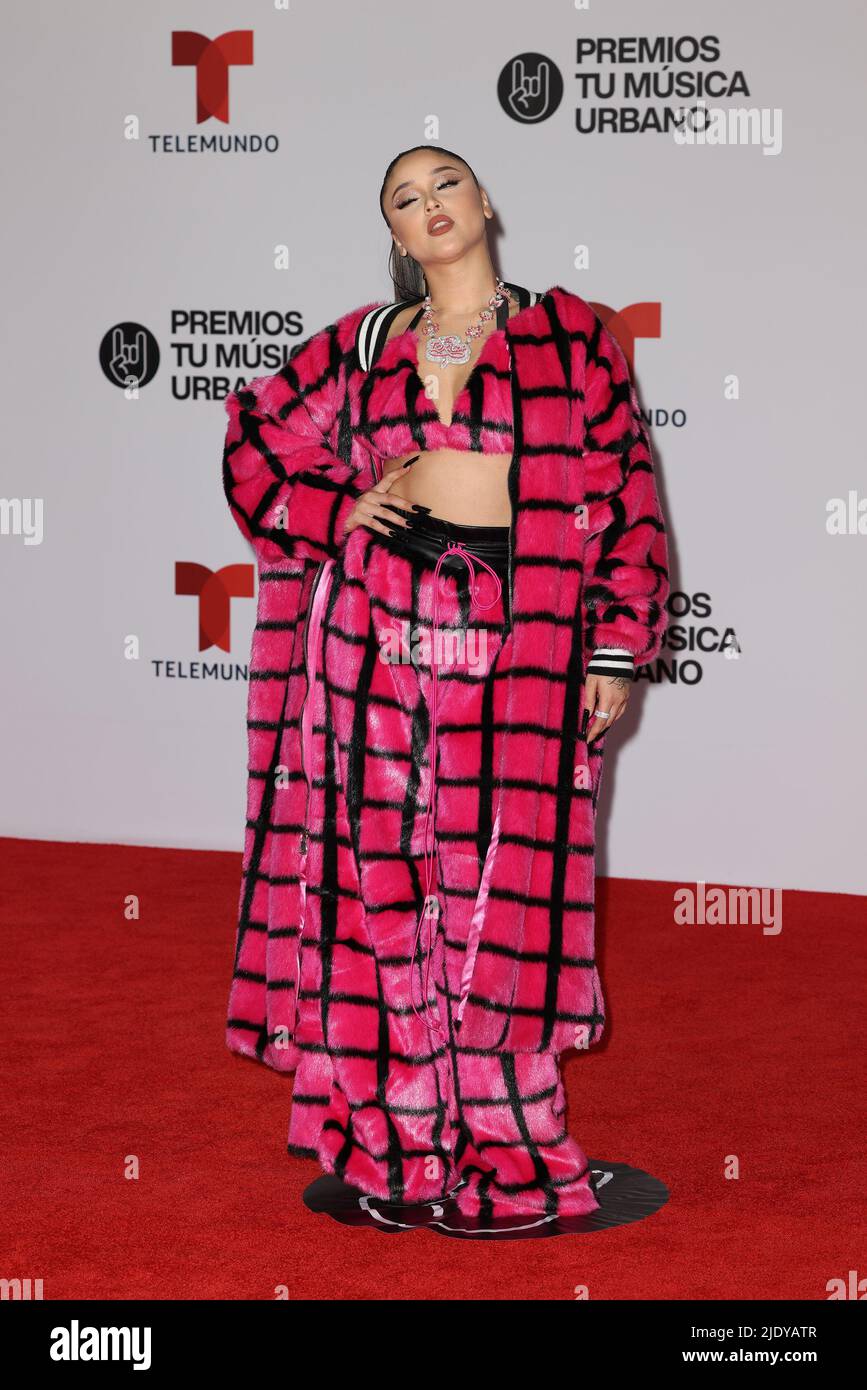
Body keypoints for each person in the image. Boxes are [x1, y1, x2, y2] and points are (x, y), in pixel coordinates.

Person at [222, 144, 670, 1225]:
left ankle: (514, 1153)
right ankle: (400, 1149)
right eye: (404, 198)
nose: (430, 206)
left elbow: (625, 498)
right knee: (377, 889)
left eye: (446, 185)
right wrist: (335, 512)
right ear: (394, 230)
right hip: (372, 634)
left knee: (501, 901)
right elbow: (254, 438)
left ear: (486, 202)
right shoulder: (366, 343)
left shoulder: (573, 341)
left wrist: (614, 647)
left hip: (519, 638)